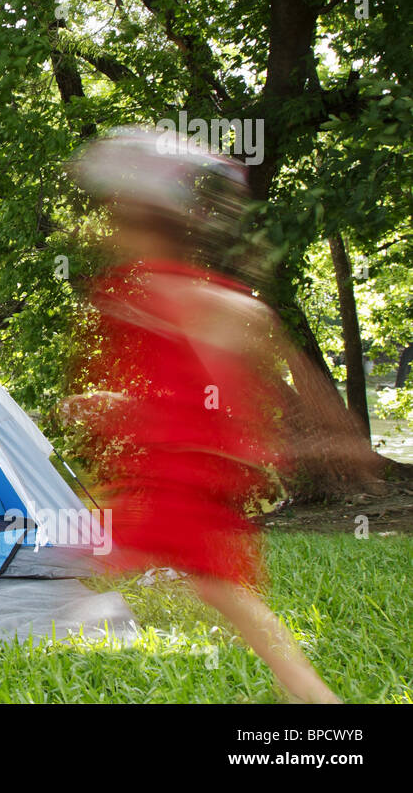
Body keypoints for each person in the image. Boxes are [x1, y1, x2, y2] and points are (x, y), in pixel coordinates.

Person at [61, 127, 379, 703]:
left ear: (151, 225)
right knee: (205, 586)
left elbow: (217, 392)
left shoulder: (183, 298)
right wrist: (117, 406)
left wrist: (318, 434)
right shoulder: (169, 295)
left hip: (185, 474)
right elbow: (187, 394)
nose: (110, 234)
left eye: (121, 220)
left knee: (197, 583)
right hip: (177, 470)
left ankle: (315, 699)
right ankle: (309, 696)